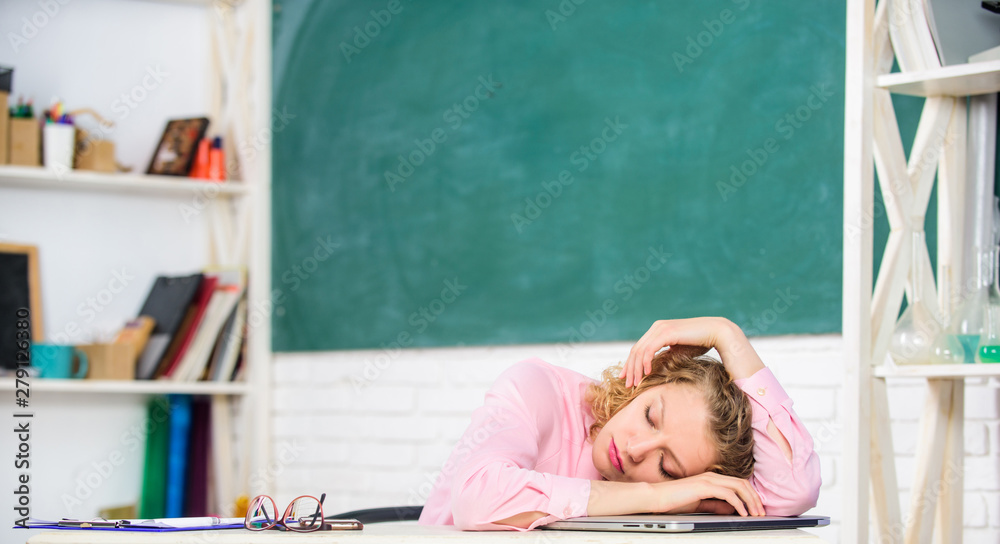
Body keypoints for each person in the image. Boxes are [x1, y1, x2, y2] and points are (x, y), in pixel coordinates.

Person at [417, 317, 821, 531]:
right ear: (646, 382)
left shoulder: (695, 490)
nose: (635, 449)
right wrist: (657, 495)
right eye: (649, 416)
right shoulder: (537, 389)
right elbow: (476, 498)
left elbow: (794, 489)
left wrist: (728, 336)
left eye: (668, 467)